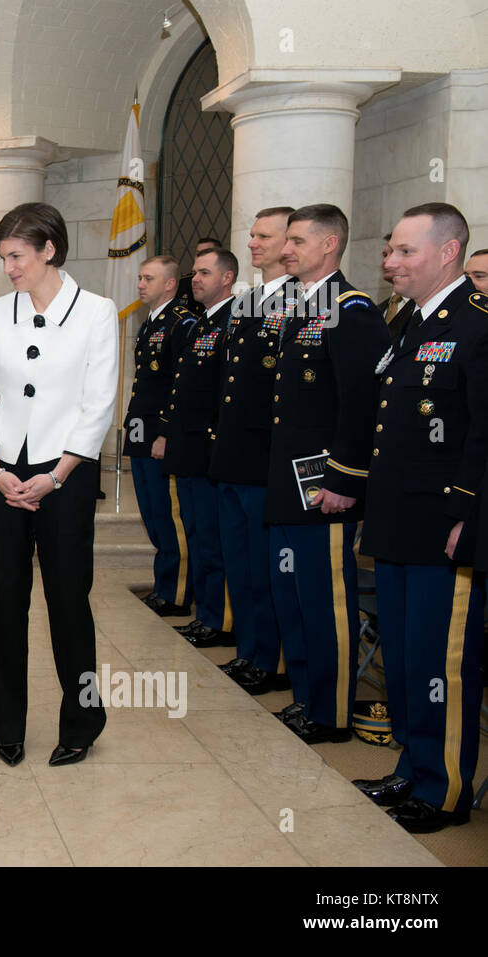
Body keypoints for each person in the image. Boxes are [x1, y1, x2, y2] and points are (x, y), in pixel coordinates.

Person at [0, 201, 118, 768]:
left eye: (16, 256)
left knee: (68, 599)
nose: (8, 268)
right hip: (3, 473)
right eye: (3, 257)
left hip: (67, 474)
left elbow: (98, 403)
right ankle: (5, 723)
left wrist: (55, 476)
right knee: (4, 598)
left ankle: (81, 722)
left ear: (49, 249)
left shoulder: (97, 312)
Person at [355, 203, 487, 833]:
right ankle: (412, 767)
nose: (391, 263)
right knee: (406, 658)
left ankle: (444, 789)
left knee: (441, 663)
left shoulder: (477, 323)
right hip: (398, 520)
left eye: (406, 251)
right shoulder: (410, 320)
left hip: (445, 526)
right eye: (390, 251)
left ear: (448, 251)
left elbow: (483, 432)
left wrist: (467, 512)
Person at [264, 203, 389, 743]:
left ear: (330, 243)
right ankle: (307, 699)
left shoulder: (350, 308)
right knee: (293, 595)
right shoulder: (304, 306)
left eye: (297, 240)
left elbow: (362, 404)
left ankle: (332, 713)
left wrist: (342, 480)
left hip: (324, 486)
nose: (286, 249)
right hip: (289, 482)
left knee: (325, 601)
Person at [211, 208, 295, 694]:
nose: (253, 243)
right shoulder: (246, 301)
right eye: (253, 234)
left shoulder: (304, 301)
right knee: (239, 563)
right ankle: (250, 651)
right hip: (233, 452)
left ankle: (273, 660)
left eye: (264, 235)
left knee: (266, 568)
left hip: (266, 456)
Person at [160, 247, 238, 647]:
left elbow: (224, 391)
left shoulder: (233, 322)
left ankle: (220, 620)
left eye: (205, 273)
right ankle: (206, 613)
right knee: (197, 535)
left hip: (209, 448)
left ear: (227, 278)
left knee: (213, 538)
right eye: (194, 273)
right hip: (188, 447)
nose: (196, 280)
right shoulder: (200, 324)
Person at [124, 255, 196, 618]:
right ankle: (164, 584)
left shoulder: (182, 323)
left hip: (160, 435)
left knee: (169, 517)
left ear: (169, 284)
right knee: (152, 513)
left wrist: (166, 432)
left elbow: (181, 385)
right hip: (142, 430)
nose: (140, 284)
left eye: (148, 278)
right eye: (140, 277)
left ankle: (177, 593)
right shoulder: (150, 322)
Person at [174, 237, 221, 312]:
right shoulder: (183, 282)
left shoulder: (223, 281)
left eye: (205, 253)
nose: (200, 257)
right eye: (198, 253)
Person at [380, 233, 407, 337]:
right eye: (385, 255)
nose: (385, 261)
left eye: (392, 254)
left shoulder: (422, 306)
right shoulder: (377, 309)